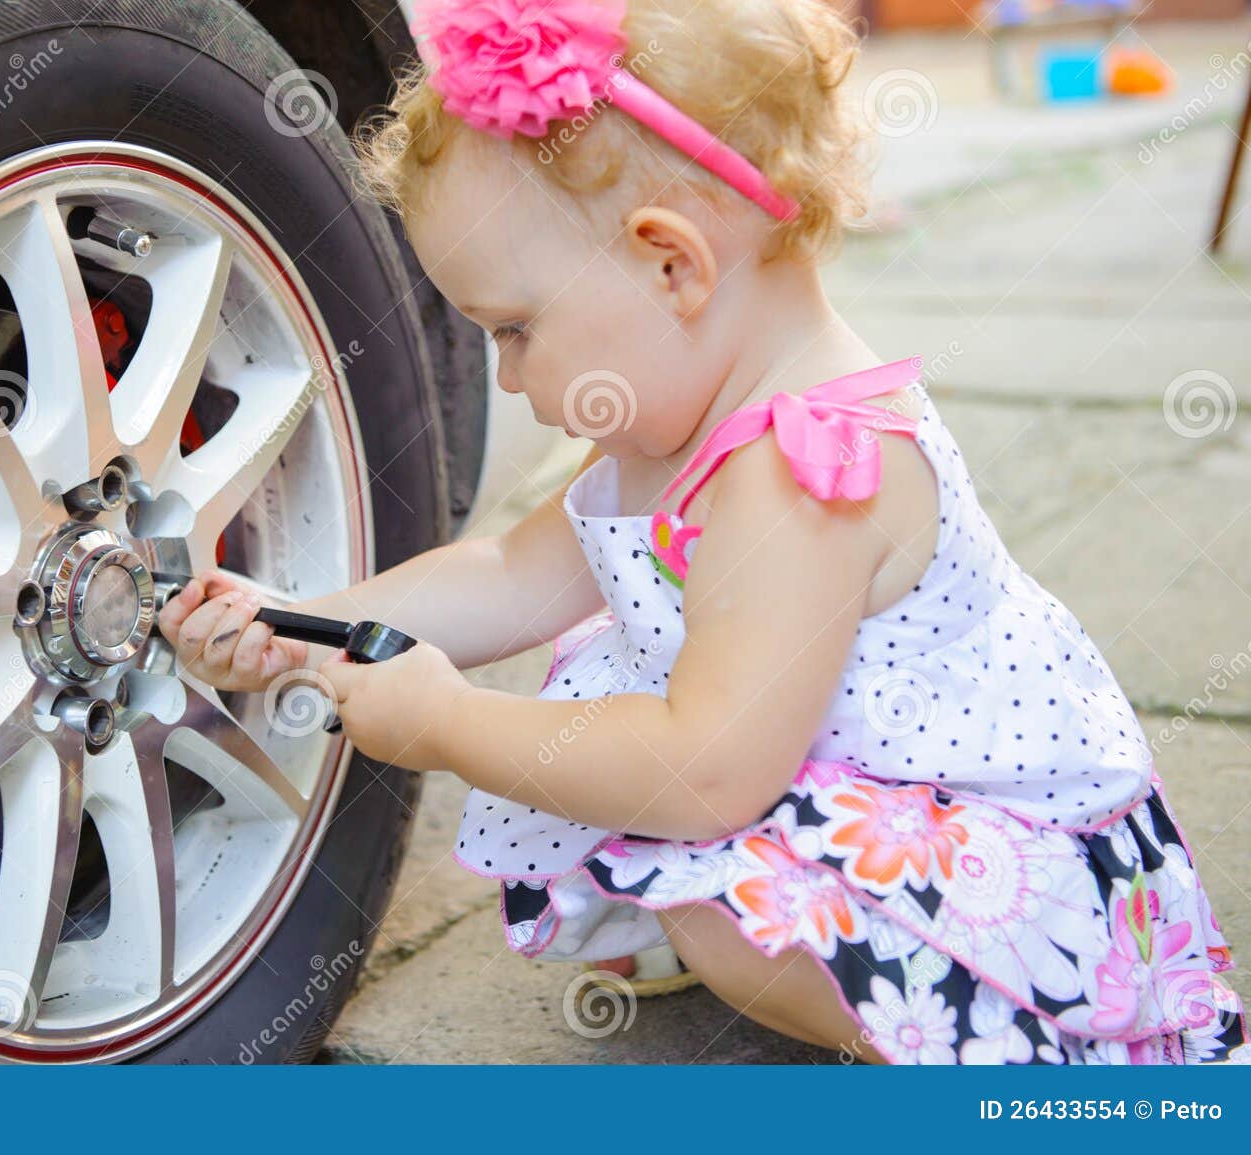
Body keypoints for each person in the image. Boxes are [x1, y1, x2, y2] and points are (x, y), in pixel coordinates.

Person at [159, 0, 1246, 1064]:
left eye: (516, 329)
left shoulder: (802, 472)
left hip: (1007, 850)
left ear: (671, 263)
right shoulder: (668, 419)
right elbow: (509, 575)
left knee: (719, 908)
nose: (507, 375)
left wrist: (447, 723)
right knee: (636, 760)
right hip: (819, 768)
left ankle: (964, 1037)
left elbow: (708, 770)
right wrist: (307, 623)